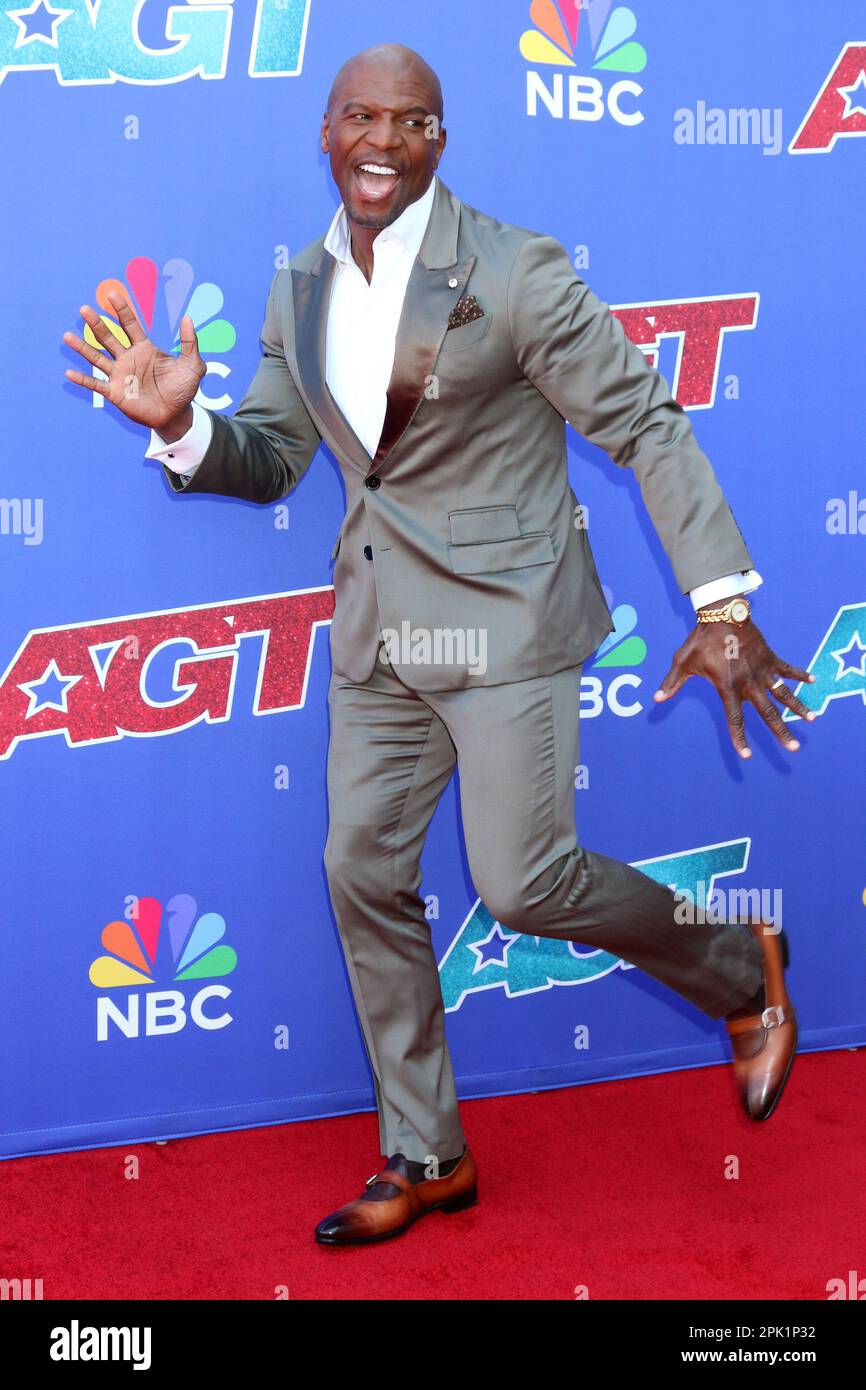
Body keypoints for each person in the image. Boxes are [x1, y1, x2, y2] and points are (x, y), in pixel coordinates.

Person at [64, 43, 816, 1248]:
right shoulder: (298, 288)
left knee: (523, 883)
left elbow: (641, 422)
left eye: (407, 121)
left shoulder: (515, 269)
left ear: (438, 141)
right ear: (324, 131)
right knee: (360, 873)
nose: (378, 138)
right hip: (380, 634)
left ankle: (736, 964)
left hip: (506, 622)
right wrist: (186, 426)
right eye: (357, 115)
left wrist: (719, 602)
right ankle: (427, 1152)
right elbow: (270, 454)